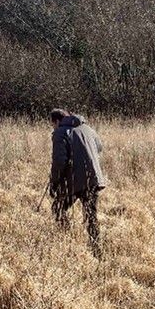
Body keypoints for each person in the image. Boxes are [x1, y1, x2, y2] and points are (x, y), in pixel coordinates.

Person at [49, 109, 107, 257]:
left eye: (52, 125)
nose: (53, 128)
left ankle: (66, 240)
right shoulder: (87, 128)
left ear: (56, 121)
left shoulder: (60, 133)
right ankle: (96, 250)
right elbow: (99, 148)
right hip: (93, 178)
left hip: (74, 181)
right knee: (91, 215)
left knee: (58, 207)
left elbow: (59, 162)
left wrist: (54, 184)